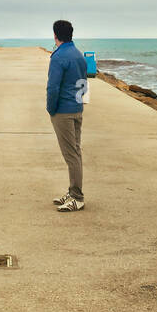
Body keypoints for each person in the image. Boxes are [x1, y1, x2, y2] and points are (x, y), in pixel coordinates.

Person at [46, 19, 87, 212]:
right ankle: (73, 192)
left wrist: (51, 109)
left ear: (55, 35)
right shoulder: (78, 55)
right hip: (77, 108)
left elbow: (53, 87)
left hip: (63, 110)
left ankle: (77, 197)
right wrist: (80, 104)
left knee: (71, 154)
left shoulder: (58, 57)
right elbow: (84, 81)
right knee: (75, 152)